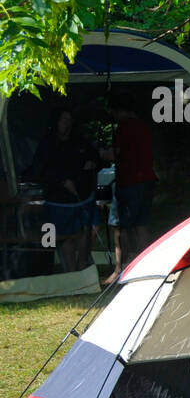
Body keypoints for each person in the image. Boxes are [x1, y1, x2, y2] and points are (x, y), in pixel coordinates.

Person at [32, 109, 101, 273]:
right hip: (58, 200)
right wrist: (62, 181)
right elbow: (40, 170)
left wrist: (93, 163)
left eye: (69, 119)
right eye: (63, 119)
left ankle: (81, 263)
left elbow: (95, 157)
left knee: (92, 227)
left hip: (83, 196)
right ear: (56, 122)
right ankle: (71, 272)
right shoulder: (47, 144)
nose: (67, 123)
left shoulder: (80, 141)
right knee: (65, 236)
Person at [105, 98, 157, 281]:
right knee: (141, 225)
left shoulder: (124, 128)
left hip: (129, 183)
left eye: (114, 113)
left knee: (120, 227)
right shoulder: (143, 127)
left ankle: (121, 268)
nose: (114, 117)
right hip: (147, 180)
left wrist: (100, 153)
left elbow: (114, 154)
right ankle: (146, 265)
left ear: (121, 111)